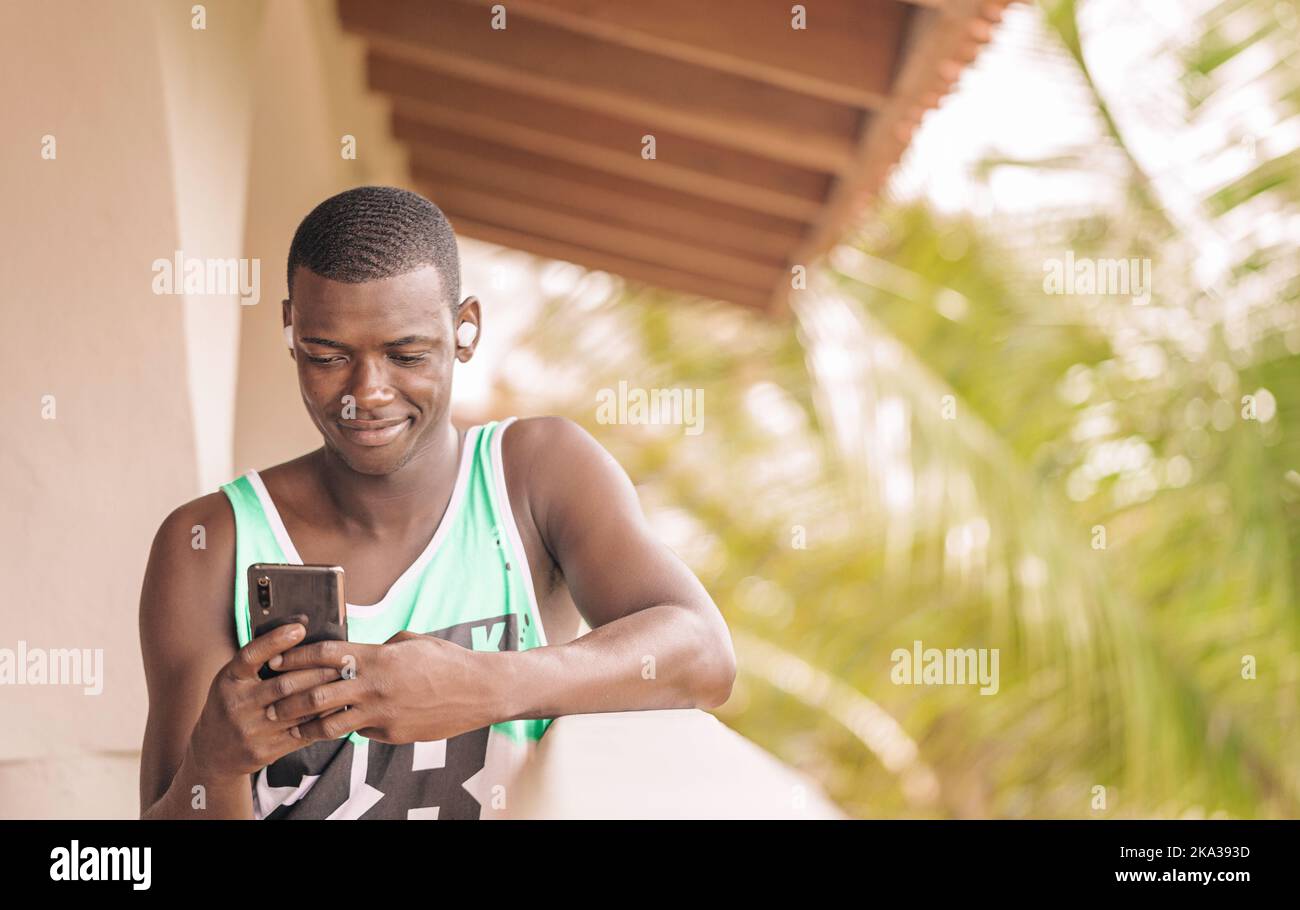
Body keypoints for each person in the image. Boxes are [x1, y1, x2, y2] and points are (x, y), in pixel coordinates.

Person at [138, 186, 736, 819]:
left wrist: (479, 685)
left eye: (407, 355)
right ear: (291, 328)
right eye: (327, 355)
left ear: (465, 329)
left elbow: (701, 654)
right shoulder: (207, 541)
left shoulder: (534, 473)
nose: (366, 393)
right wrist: (216, 762)